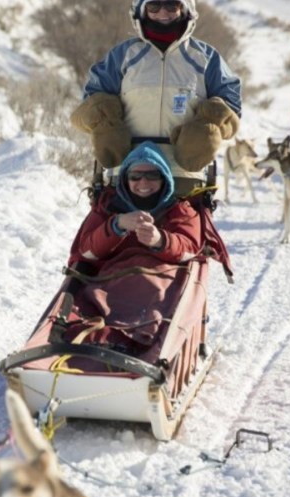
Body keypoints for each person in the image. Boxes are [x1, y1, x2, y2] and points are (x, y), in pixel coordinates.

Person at [71, 0, 242, 196]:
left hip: (185, 176)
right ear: (142, 10)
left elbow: (231, 106)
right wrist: (104, 124)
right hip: (130, 174)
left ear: (185, 8)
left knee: (184, 219)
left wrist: (209, 125)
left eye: (171, 5)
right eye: (154, 6)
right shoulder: (123, 55)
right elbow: (91, 100)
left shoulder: (206, 58)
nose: (163, 13)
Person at [63, 142, 204, 350]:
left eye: (152, 175)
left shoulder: (179, 210)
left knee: (155, 300)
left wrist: (161, 240)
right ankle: (105, 336)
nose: (143, 182)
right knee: (93, 302)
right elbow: (86, 252)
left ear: (164, 177)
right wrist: (116, 225)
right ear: (125, 179)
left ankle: (128, 340)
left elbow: (190, 249)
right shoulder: (108, 208)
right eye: (135, 176)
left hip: (158, 281)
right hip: (112, 279)